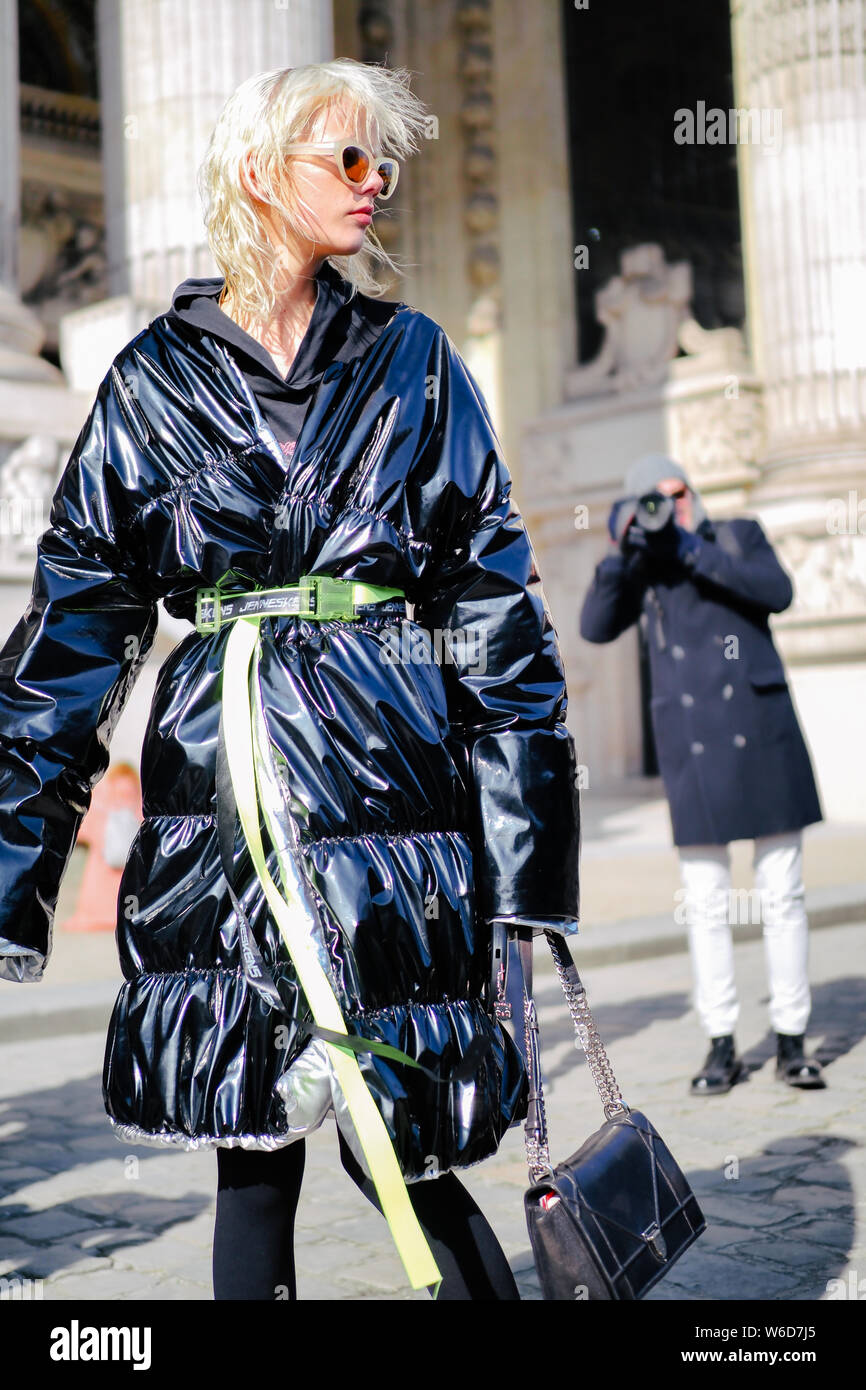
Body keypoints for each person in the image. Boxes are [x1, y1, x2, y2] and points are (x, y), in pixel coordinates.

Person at [0, 60, 580, 1300]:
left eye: (388, 164)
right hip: (223, 809)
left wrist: (528, 862)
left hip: (390, 795)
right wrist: (11, 866)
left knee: (405, 1151)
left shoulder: (415, 361)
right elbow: (75, 625)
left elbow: (492, 610)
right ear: (264, 175)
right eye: (351, 160)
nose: (379, 187)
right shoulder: (156, 380)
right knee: (248, 1161)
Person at [579, 453, 825, 1098]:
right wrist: (621, 551)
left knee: (783, 892)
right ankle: (721, 1043)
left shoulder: (735, 533)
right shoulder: (642, 564)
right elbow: (595, 627)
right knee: (706, 904)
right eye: (655, 500)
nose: (672, 506)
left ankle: (793, 1040)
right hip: (692, 750)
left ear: (694, 492)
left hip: (762, 737)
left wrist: (688, 546)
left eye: (678, 493)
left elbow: (776, 592)